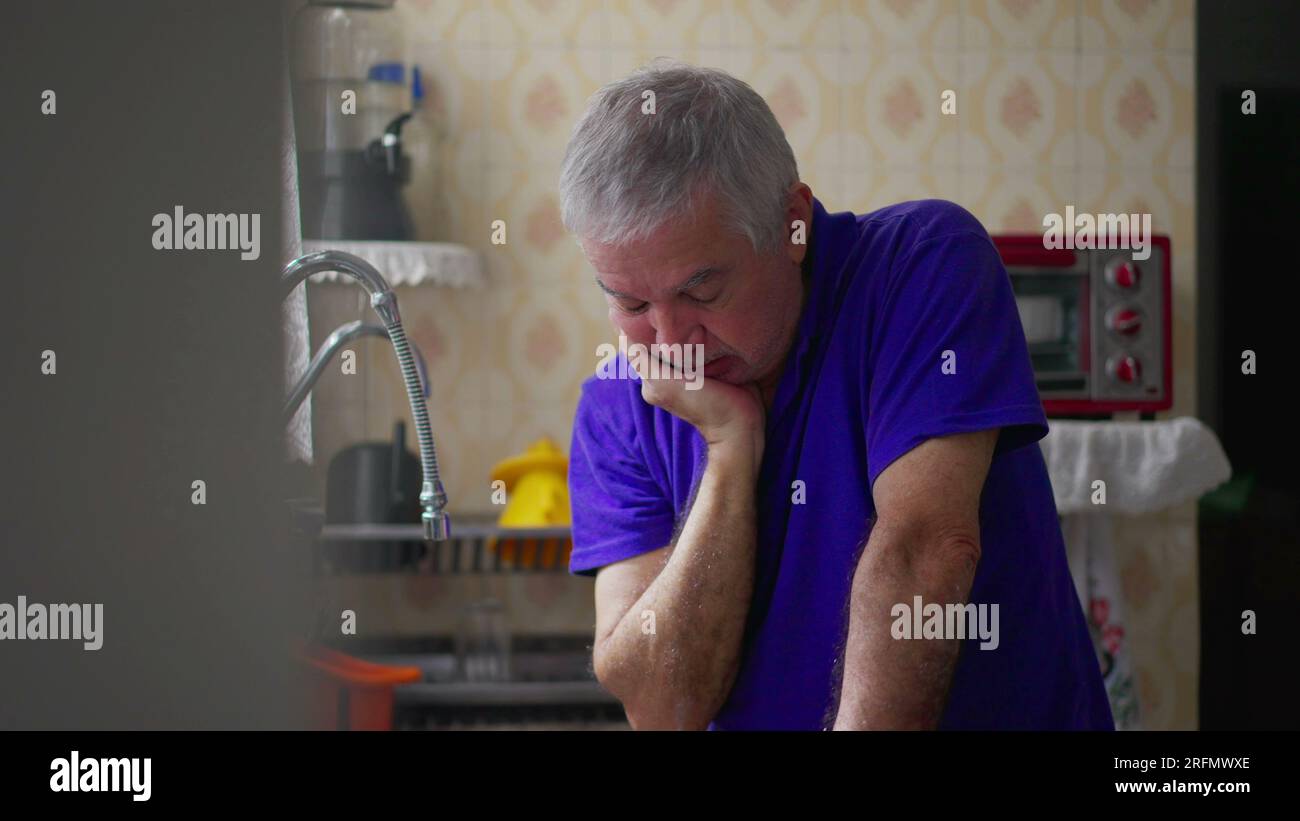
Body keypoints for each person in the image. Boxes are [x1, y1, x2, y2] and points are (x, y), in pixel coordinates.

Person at [558, 58, 1113, 731]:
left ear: (792, 223)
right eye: (630, 300)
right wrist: (731, 453)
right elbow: (662, 706)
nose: (669, 338)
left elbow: (923, 547)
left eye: (702, 292)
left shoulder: (923, 264)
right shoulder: (617, 406)